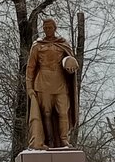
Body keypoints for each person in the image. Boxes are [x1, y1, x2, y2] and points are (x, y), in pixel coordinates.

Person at [25, 18, 78, 149]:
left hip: (60, 82)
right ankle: (49, 140)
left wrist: (71, 69)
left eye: (50, 27)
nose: (48, 30)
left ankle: (64, 139)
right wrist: (29, 87)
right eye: (45, 28)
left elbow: (70, 63)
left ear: (55, 28)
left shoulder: (62, 43)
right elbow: (30, 67)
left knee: (63, 112)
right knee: (46, 113)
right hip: (42, 83)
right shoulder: (37, 45)